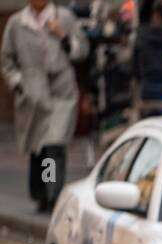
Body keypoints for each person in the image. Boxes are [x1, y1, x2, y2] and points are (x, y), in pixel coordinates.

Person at [1, 0, 87, 213]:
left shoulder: (64, 18)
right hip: (33, 95)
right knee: (38, 148)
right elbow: (6, 60)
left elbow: (82, 50)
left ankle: (52, 194)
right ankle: (40, 193)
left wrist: (63, 36)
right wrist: (18, 83)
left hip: (61, 93)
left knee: (53, 145)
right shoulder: (16, 22)